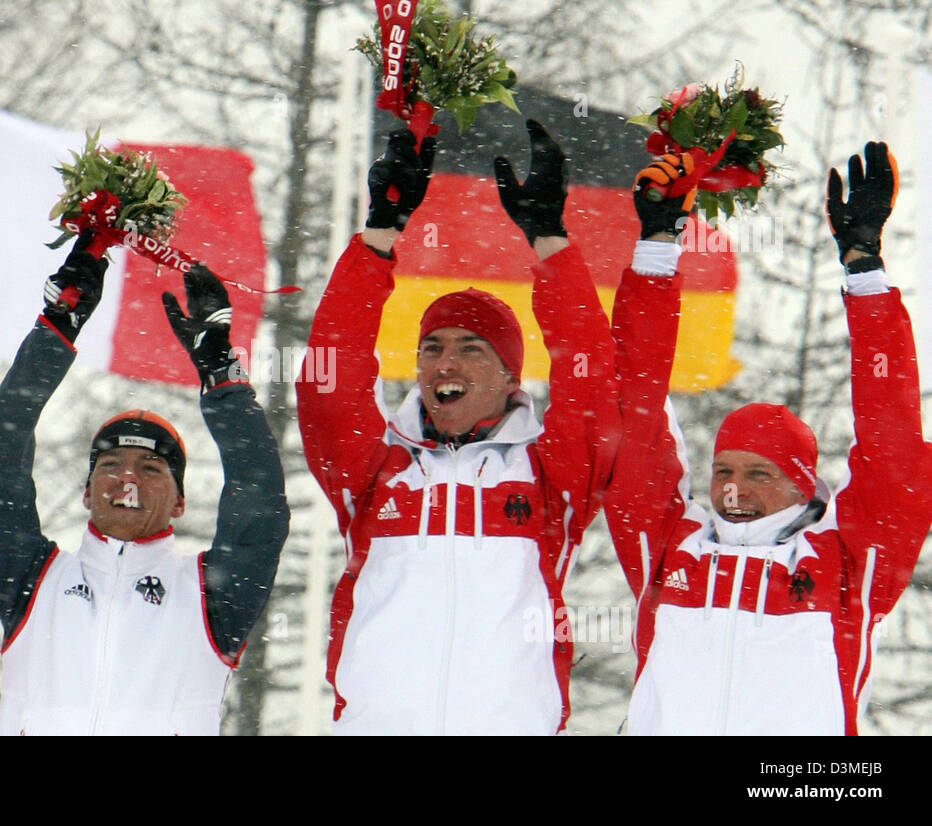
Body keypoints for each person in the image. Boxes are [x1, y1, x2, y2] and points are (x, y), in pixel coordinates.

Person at [296, 121, 621, 734]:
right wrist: (378, 238)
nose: (445, 363)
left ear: (508, 378)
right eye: (432, 348)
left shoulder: (549, 479)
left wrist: (551, 243)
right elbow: (328, 378)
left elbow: (591, 379)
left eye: (472, 348)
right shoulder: (377, 472)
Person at [607, 142, 932, 735]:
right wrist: (656, 248)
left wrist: (865, 268)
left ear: (803, 485)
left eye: (760, 474)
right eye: (724, 471)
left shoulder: (846, 565)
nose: (733, 489)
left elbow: (893, 447)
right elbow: (635, 408)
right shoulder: (670, 549)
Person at [0, 232, 289, 735]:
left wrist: (222, 375)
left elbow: (259, 505)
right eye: (110, 465)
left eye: (152, 468)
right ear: (87, 491)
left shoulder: (209, 596)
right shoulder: (34, 580)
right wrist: (56, 329)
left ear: (180, 502)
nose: (128, 478)